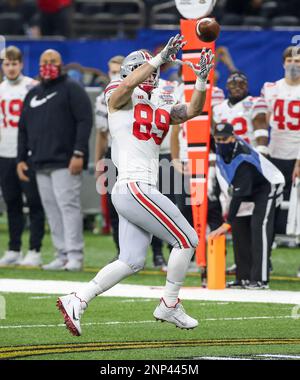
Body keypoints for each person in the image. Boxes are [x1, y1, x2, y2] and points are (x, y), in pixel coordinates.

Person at [57, 35, 214, 335]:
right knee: (188, 239)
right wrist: (157, 58)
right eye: (146, 70)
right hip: (135, 185)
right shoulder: (117, 91)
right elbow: (127, 87)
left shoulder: (157, 104)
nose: (153, 75)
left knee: (130, 260)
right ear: (130, 70)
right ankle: (169, 304)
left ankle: (78, 299)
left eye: (154, 72)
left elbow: (192, 110)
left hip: (136, 189)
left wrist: (202, 80)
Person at [17, 49, 93, 271]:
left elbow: (84, 122)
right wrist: (22, 158)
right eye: (44, 62)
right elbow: (23, 128)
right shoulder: (33, 94)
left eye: (53, 61)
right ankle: (61, 254)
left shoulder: (72, 89)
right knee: (52, 209)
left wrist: (78, 153)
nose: (48, 65)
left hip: (65, 161)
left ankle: (75, 255)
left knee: (68, 207)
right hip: (40, 162)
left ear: (61, 64)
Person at [209, 123, 285, 289]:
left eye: (225, 139)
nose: (221, 142)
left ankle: (260, 279)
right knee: (238, 228)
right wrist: (230, 222)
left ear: (233, 137)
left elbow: (238, 195)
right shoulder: (221, 150)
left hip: (267, 186)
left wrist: (226, 223)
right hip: (246, 188)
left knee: (259, 228)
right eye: (218, 139)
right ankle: (242, 277)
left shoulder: (243, 158)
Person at [0, 46, 45, 267]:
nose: (10, 68)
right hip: (4, 152)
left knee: (34, 202)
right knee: (11, 203)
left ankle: (35, 249)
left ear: (21, 64)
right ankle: (14, 248)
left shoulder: (32, 87)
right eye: (7, 64)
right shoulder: (0, 89)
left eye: (14, 63)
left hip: (27, 154)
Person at [261, 47, 300, 236]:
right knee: (272, 196)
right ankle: (271, 235)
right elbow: (264, 122)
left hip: (297, 151)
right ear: (284, 63)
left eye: (298, 61)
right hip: (274, 150)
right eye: (290, 60)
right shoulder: (271, 88)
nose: (293, 64)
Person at [94, 55, 125, 262]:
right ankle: (120, 251)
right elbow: (102, 134)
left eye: (117, 71)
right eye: (111, 71)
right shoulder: (101, 98)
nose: (114, 75)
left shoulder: (139, 92)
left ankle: (158, 253)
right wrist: (99, 162)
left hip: (136, 155)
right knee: (115, 206)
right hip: (113, 155)